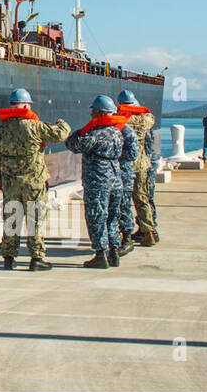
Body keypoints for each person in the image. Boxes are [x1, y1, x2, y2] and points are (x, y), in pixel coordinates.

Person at [0, 88, 71, 271]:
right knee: (35, 220)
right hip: (34, 183)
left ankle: (8, 258)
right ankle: (36, 259)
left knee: (11, 220)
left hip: (10, 184)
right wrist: (61, 122)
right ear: (26, 106)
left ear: (11, 106)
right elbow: (61, 134)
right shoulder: (35, 127)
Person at [65, 95, 127, 269]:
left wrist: (79, 132)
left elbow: (73, 144)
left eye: (93, 111)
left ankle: (100, 255)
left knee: (96, 216)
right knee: (112, 217)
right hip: (116, 180)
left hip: (98, 181)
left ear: (100, 113)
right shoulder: (117, 132)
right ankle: (114, 252)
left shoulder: (94, 134)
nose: (91, 115)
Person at [118, 90, 158, 246]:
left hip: (125, 166)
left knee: (124, 201)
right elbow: (150, 116)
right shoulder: (146, 119)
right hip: (142, 164)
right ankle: (149, 232)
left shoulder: (121, 121)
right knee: (142, 199)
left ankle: (124, 234)